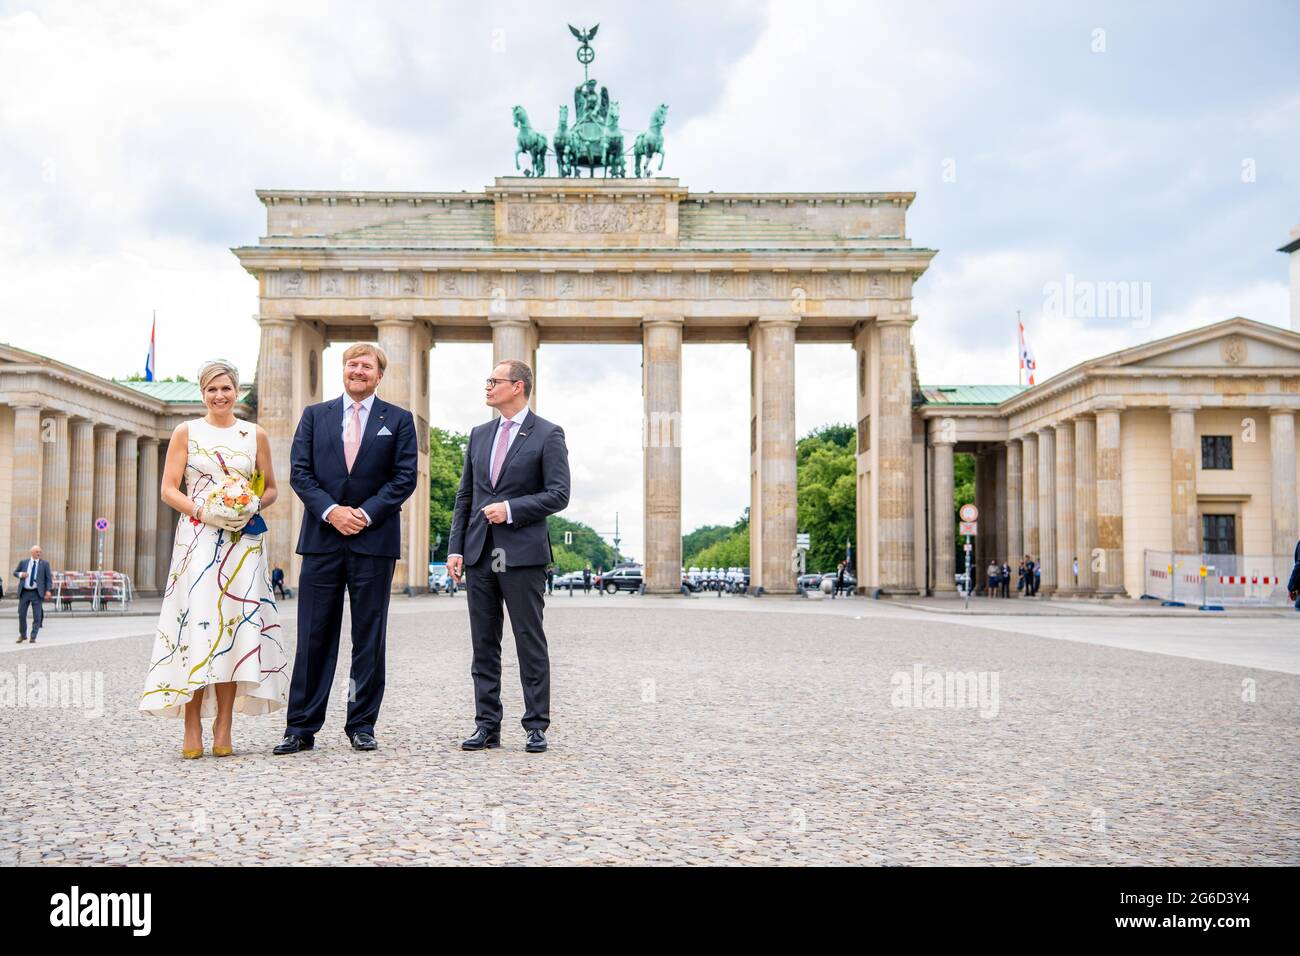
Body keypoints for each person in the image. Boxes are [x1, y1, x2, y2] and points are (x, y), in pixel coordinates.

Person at [139, 359, 289, 758]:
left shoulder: (253, 433)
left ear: (236, 391)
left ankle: (224, 725)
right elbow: (169, 489)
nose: (219, 396)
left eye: (226, 388)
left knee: (236, 629)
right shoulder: (185, 431)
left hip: (242, 542)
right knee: (198, 628)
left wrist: (251, 503)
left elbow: (271, 488)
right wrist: (204, 511)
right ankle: (191, 725)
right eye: (211, 390)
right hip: (199, 539)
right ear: (202, 393)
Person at [273, 343, 418, 756]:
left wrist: (366, 515)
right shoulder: (314, 416)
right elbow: (300, 474)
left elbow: (404, 478)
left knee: (369, 637)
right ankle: (300, 727)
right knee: (314, 634)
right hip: (322, 539)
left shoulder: (400, 420)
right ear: (343, 370)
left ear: (379, 375)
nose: (358, 371)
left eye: (366, 366)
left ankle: (361, 723)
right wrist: (333, 511)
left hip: (374, 542)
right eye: (352, 364)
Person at [448, 359, 570, 754]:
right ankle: (487, 725)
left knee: (528, 639)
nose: (487, 387)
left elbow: (559, 494)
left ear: (517, 386)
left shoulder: (548, 434)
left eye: (493, 381)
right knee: (484, 643)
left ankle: (536, 725)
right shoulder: (479, 434)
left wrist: (511, 509)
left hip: (522, 553)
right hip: (480, 551)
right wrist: (455, 548)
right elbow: (466, 496)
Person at [13, 545, 52, 643]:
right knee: (21, 614)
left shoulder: (45, 564)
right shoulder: (24, 562)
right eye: (37, 552)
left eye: (40, 552)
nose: (39, 554)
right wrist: (21, 574)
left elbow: (48, 579)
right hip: (24, 592)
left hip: (37, 592)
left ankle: (33, 636)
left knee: (37, 616)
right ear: (32, 552)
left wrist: (48, 590)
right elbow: (15, 572)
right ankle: (23, 635)